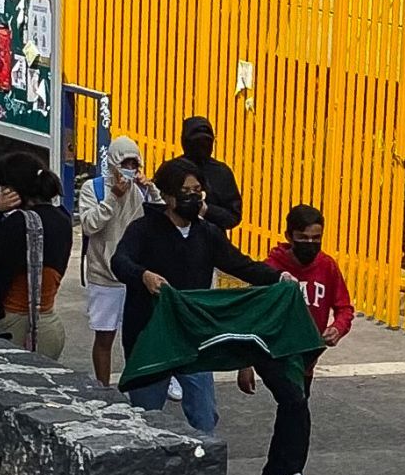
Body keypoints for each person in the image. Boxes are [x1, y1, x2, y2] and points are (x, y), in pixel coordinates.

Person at [112, 157, 283, 436]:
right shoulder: (143, 230)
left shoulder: (208, 233)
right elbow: (120, 261)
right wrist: (143, 275)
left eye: (197, 191)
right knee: (147, 417)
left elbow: (240, 264)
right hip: (150, 337)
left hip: (194, 337)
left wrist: (278, 278)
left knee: (204, 416)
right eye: (185, 191)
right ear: (167, 195)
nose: (192, 197)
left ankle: (201, 468)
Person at [0, 153, 72, 358]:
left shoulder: (20, 224)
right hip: (48, 323)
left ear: (11, 190)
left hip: (16, 326)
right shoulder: (62, 219)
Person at [77, 135, 154, 386]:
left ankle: (141, 384)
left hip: (134, 274)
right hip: (104, 274)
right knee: (104, 337)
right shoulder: (94, 188)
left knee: (141, 336)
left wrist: (150, 189)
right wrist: (112, 197)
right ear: (112, 162)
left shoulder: (140, 191)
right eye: (125, 163)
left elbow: (161, 218)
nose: (130, 170)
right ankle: (103, 388)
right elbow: (89, 225)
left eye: (134, 164)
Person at [263, 204, 354, 394]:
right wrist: (245, 365)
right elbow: (253, 314)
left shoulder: (327, 265)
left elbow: (344, 307)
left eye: (316, 238)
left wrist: (338, 327)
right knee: (294, 404)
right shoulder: (271, 268)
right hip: (278, 352)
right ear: (289, 236)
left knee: (299, 404)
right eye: (303, 238)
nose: (310, 244)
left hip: (310, 354)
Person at [178, 116, 242, 231]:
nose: (202, 146)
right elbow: (157, 203)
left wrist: (206, 210)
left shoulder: (222, 173)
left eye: (206, 141)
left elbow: (233, 216)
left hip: (212, 243)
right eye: (196, 142)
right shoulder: (171, 170)